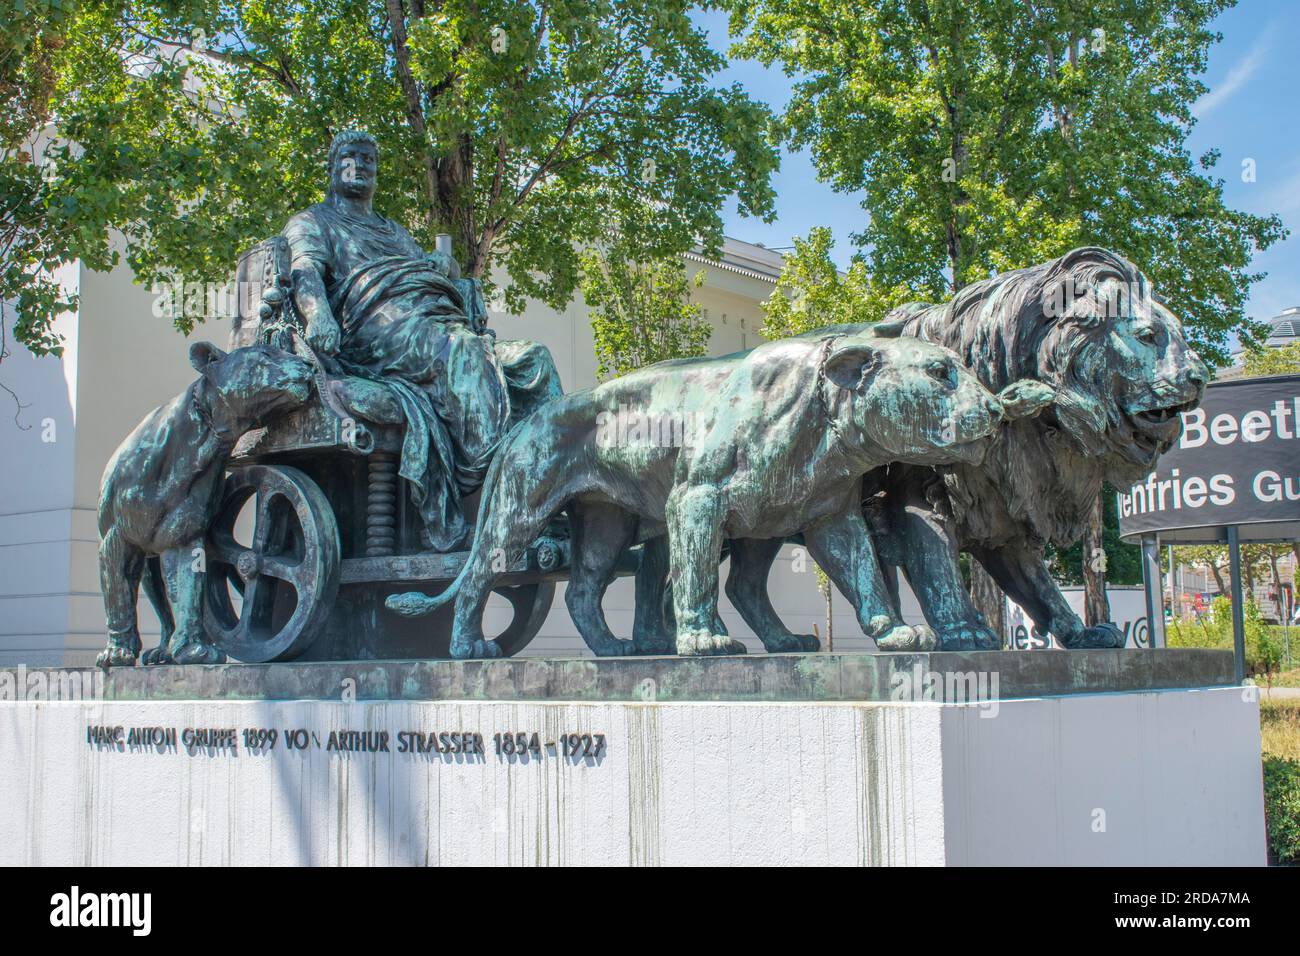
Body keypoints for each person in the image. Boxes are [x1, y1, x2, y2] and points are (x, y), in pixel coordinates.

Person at [283, 130, 561, 550]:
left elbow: (421, 273)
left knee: (533, 360)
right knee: (464, 352)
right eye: (349, 157)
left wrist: (442, 268)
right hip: (368, 331)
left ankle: (552, 493)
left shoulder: (393, 232)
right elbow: (305, 271)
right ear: (333, 167)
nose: (359, 165)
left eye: (368, 159)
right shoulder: (313, 221)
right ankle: (497, 505)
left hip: (428, 321)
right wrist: (317, 313)